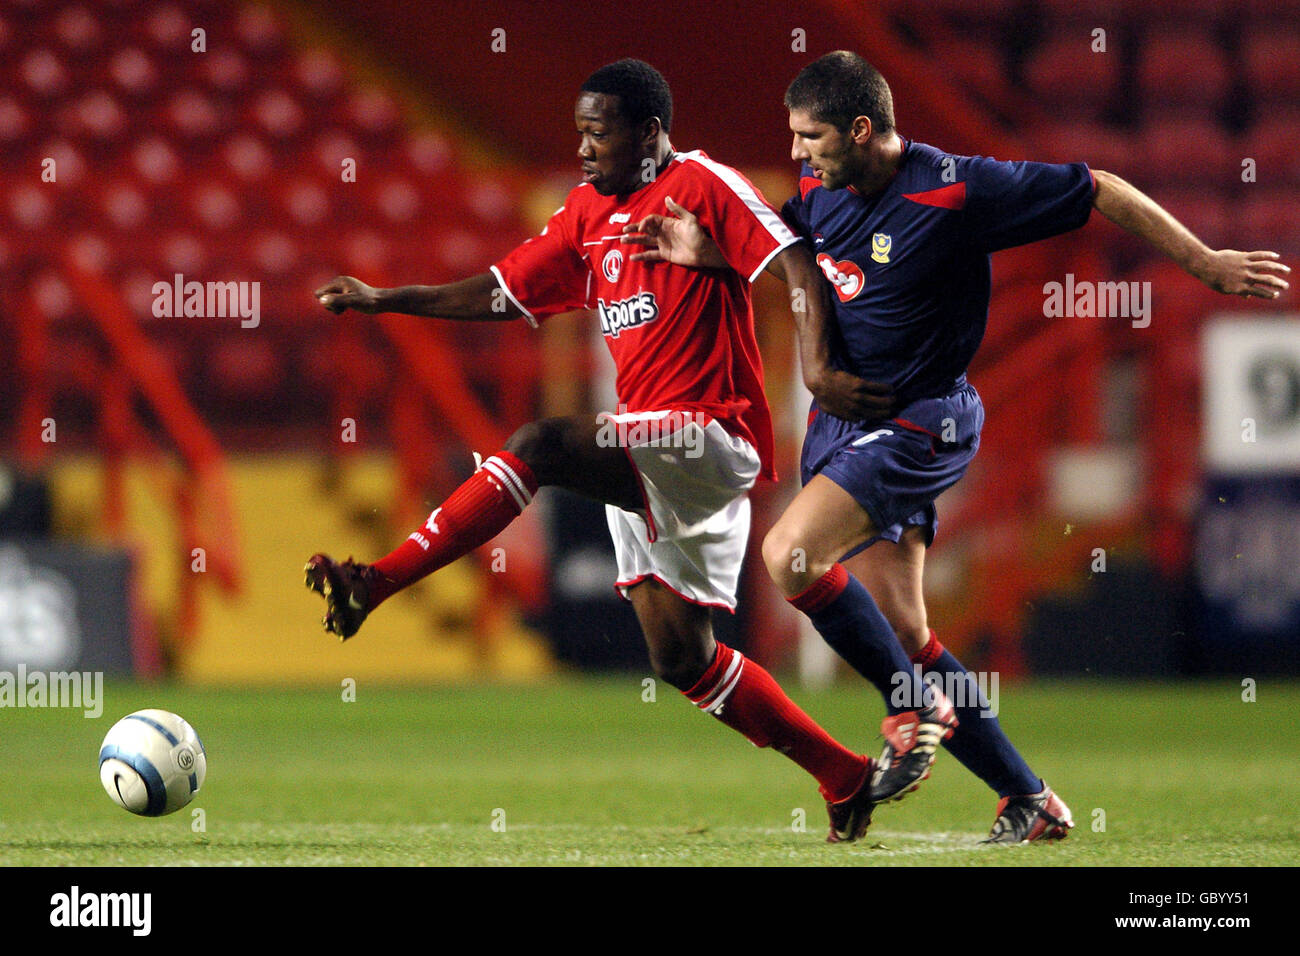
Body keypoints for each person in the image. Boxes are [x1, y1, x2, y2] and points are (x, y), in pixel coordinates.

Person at [620, 50, 1290, 843]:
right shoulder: (817, 189)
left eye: (812, 137)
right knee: (906, 633)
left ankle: (911, 705)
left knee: (790, 555)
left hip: (921, 419)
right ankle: (1028, 798)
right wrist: (712, 255)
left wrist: (1204, 261)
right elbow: (797, 262)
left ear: (863, 129)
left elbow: (1100, 186)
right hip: (844, 423)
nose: (799, 153)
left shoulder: (958, 188)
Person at [305, 58, 932, 843]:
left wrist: (815, 368)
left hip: (709, 431)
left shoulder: (705, 184)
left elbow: (791, 260)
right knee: (681, 658)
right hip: (650, 453)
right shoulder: (583, 214)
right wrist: (385, 299)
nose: (585, 149)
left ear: (651, 132)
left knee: (541, 441)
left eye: (599, 134)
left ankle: (380, 579)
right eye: (580, 135)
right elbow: (503, 290)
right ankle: (842, 777)